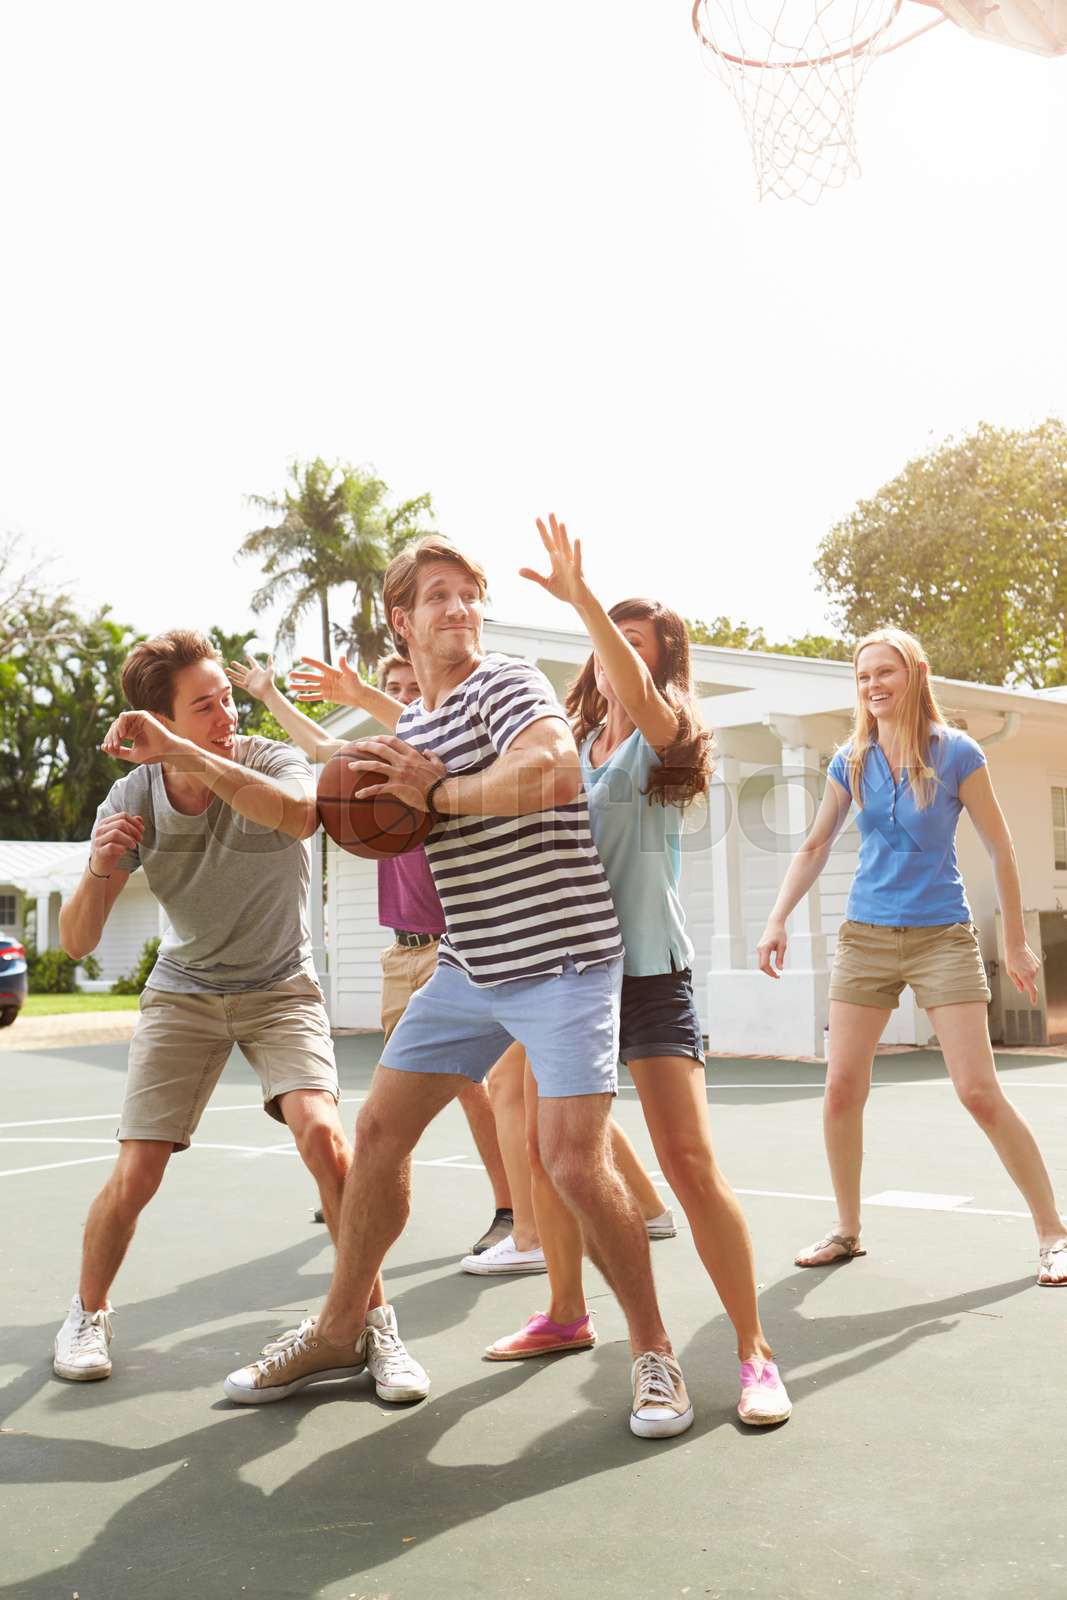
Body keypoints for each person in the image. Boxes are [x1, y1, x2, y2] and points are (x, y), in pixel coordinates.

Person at [223, 534, 694, 1439]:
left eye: (468, 594)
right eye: (437, 597)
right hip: (471, 965)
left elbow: (553, 769)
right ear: (401, 622)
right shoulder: (406, 732)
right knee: (377, 1132)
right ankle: (337, 1328)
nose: (460, 608)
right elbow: (320, 802)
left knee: (569, 1160)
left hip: (563, 958)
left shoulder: (506, 682)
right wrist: (204, 753)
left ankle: (653, 1349)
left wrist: (443, 798)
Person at [479, 517, 791, 1428]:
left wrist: (580, 598)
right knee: (551, 1151)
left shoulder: (664, 735)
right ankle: (568, 1314)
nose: (617, 656)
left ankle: (753, 1352)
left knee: (687, 1162)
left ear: (656, 664)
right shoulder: (566, 746)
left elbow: (646, 702)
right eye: (611, 639)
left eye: (636, 644)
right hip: (564, 967)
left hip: (650, 974)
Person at [50, 629, 411, 1397]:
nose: (224, 716)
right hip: (185, 991)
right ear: (162, 719)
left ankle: (372, 1326)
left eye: (224, 700)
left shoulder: (267, 758)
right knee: (137, 1170)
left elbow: (297, 816)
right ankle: (87, 1312)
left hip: (280, 985)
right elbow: (78, 940)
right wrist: (99, 865)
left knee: (327, 1140)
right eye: (203, 707)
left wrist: (187, 754)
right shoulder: (133, 796)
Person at [756, 626, 1067, 1287]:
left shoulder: (955, 752)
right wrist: (776, 917)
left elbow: (1000, 849)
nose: (872, 684)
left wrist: (1013, 939)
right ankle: (845, 1230)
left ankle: (1052, 1232)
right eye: (862, 675)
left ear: (914, 674)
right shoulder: (850, 758)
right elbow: (814, 845)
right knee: (840, 1089)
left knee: (978, 1092)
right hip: (864, 937)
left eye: (884, 671)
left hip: (940, 938)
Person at [228, 648, 516, 1261]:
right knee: (397, 1086)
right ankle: (369, 1189)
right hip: (400, 950)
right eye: (393, 687)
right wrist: (270, 695)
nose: (406, 696)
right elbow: (314, 748)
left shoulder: (447, 760)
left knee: (476, 1089)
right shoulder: (367, 767)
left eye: (415, 686)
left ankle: (510, 1209)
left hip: (455, 949)